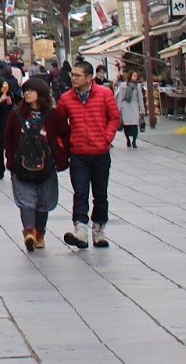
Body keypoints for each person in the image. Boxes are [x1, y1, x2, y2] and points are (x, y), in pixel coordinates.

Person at [55, 59, 120, 248]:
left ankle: (98, 230)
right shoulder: (66, 98)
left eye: (77, 75)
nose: (73, 78)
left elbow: (115, 117)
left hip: (100, 152)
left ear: (89, 78)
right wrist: (63, 145)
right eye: (72, 75)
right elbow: (59, 124)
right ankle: (80, 230)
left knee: (100, 193)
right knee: (80, 192)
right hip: (78, 153)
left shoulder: (105, 94)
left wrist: (106, 138)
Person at [3, 77, 70, 251]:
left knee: (43, 202)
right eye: (25, 90)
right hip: (22, 166)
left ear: (41, 93)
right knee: (26, 200)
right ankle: (29, 232)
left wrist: (62, 156)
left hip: (47, 166)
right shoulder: (16, 114)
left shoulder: (53, 115)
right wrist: (10, 161)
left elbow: (65, 134)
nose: (27, 93)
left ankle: (40, 233)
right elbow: (8, 138)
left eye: (31, 90)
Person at [0, 72, 18, 178]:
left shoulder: (11, 95)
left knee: (11, 148)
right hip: (0, 125)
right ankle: (1, 168)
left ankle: (12, 168)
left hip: (10, 125)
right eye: (3, 86)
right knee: (0, 148)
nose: (5, 88)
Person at [115, 70, 144, 148]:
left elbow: (140, 98)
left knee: (135, 124)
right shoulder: (123, 85)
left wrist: (142, 109)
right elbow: (120, 97)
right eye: (134, 75)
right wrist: (118, 108)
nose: (135, 77)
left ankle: (134, 141)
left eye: (136, 76)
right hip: (125, 106)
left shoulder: (137, 86)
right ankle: (128, 139)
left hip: (134, 106)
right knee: (126, 125)